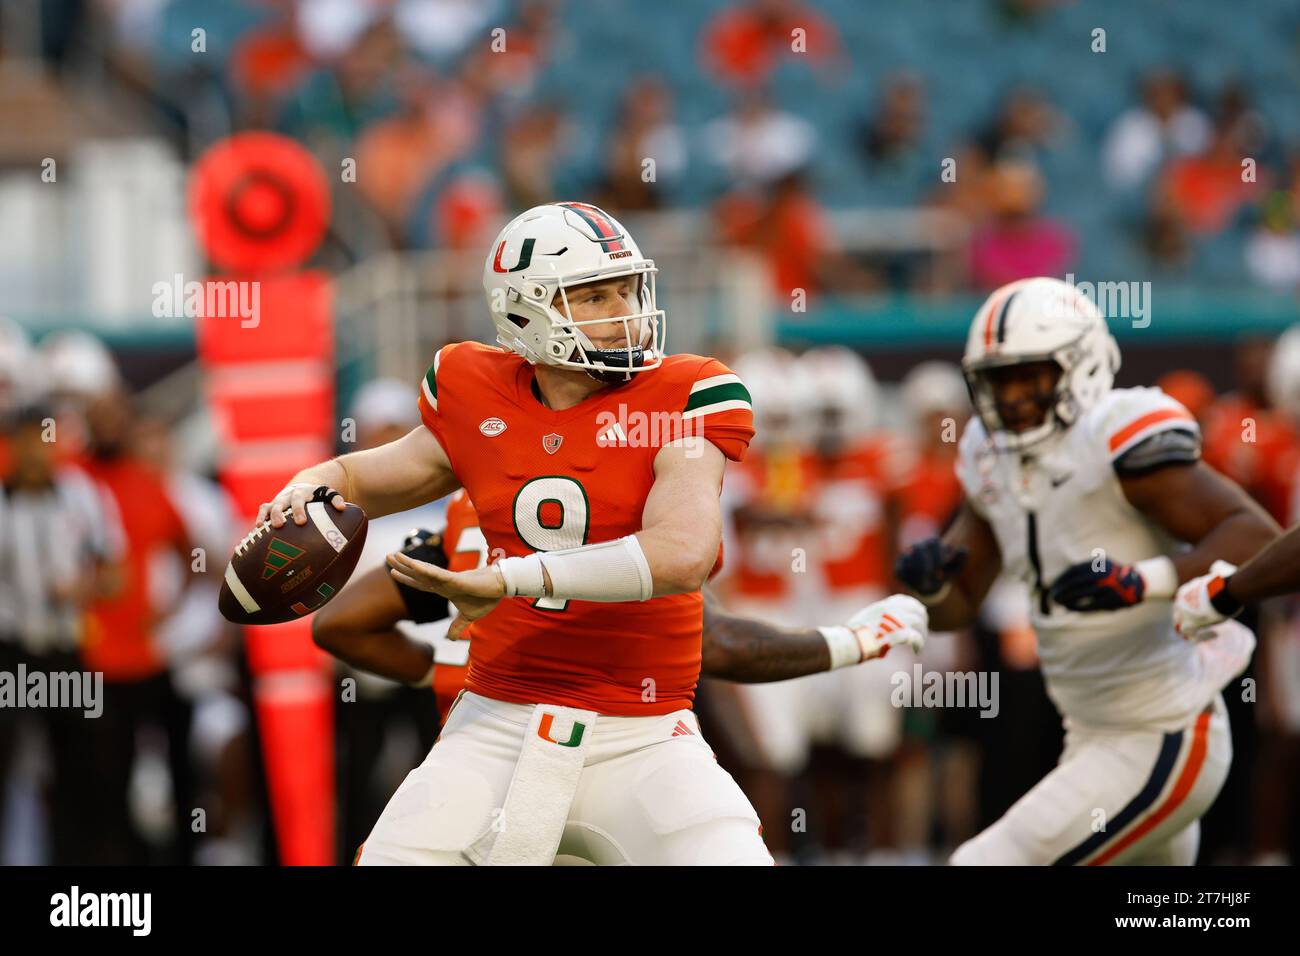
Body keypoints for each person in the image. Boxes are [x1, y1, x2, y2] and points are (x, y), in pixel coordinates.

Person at [250, 202, 929, 865]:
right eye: (594, 296)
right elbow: (375, 476)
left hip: (644, 730)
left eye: (627, 290)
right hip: (494, 723)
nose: (624, 313)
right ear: (525, 309)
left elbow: (683, 554)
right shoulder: (471, 388)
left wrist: (513, 578)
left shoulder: (685, 394)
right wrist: (307, 486)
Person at [894, 276, 1279, 865]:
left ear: (1081, 366)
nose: (1014, 397)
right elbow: (960, 606)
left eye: (1031, 376)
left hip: (1162, 728)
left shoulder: (1114, 437)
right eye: (999, 380)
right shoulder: (989, 455)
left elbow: (1255, 538)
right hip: (1090, 732)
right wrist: (930, 585)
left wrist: (1142, 580)